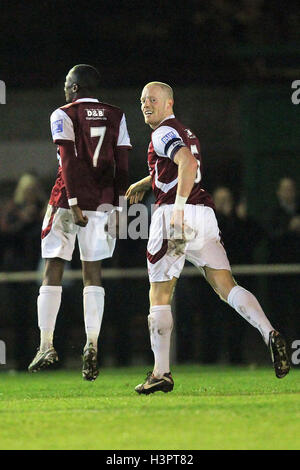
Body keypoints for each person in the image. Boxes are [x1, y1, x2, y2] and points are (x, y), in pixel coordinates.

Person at [125, 81, 290, 395]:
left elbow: (186, 162)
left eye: (153, 99)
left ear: (170, 103)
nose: (146, 104)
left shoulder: (161, 132)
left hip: (176, 214)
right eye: (143, 99)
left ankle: (161, 372)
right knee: (226, 286)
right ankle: (269, 332)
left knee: (159, 296)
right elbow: (181, 163)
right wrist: (147, 181)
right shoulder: (187, 132)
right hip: (204, 215)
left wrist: (177, 208)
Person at [28, 64, 131, 380]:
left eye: (65, 84)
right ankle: (93, 344)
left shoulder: (63, 113)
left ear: (73, 88)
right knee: (93, 272)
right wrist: (119, 205)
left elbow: (70, 160)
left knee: (54, 266)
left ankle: (46, 344)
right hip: (102, 201)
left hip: (67, 200)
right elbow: (123, 163)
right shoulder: (116, 114)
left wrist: (72, 201)